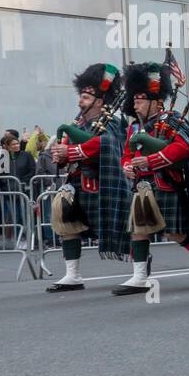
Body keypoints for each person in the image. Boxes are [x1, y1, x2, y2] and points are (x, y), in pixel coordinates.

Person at [114, 62, 189, 295]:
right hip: (141, 185)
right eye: (134, 98)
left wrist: (150, 162)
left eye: (141, 99)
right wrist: (127, 167)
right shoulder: (134, 128)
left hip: (165, 183)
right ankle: (140, 276)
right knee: (138, 229)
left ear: (156, 101)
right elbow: (126, 155)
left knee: (173, 231)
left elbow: (183, 149)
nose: (135, 103)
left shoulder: (171, 120)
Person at [45, 63, 131, 291]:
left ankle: (141, 265)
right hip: (76, 182)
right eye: (81, 96)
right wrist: (60, 156)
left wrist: (71, 151)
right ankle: (72, 275)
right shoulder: (80, 123)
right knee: (67, 222)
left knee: (116, 227)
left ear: (99, 101)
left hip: (101, 184)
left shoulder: (111, 122)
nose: (79, 101)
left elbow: (107, 144)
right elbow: (67, 149)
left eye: (84, 97)